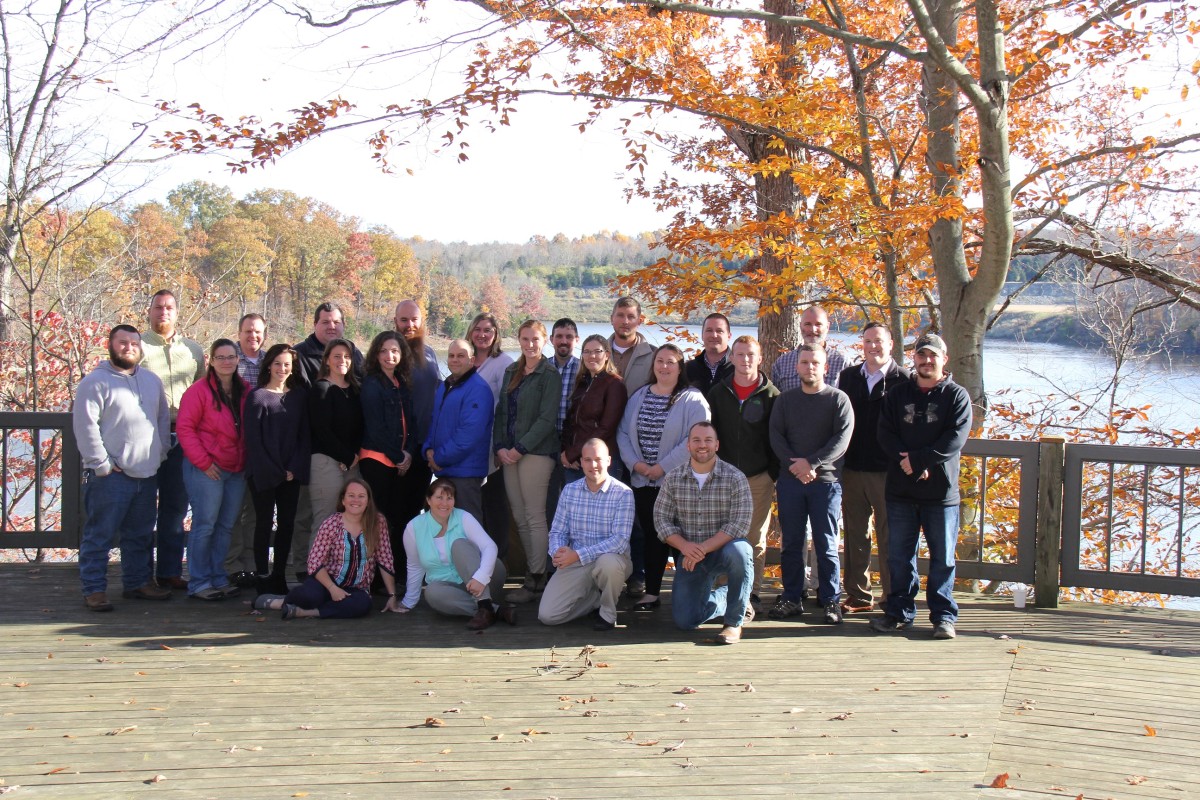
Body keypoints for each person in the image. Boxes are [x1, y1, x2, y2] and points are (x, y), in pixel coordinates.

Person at [871, 333, 972, 640]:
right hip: (900, 491)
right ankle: (899, 613)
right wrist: (909, 463)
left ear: (944, 360)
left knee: (943, 559)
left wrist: (920, 461)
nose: (927, 361)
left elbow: (954, 439)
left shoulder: (956, 396)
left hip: (941, 495)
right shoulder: (897, 394)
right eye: (921, 355)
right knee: (899, 556)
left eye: (933, 356)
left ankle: (943, 617)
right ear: (913, 358)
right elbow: (885, 433)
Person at [73, 325, 172, 611]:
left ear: (141, 348)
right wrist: (101, 464)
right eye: (122, 342)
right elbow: (85, 426)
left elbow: (162, 420)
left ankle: (137, 583)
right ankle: (94, 589)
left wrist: (160, 452)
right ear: (110, 345)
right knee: (99, 535)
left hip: (147, 472)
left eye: (134, 343)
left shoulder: (152, 381)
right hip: (110, 477)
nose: (128, 347)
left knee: (140, 534)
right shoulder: (94, 382)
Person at [616, 344, 710, 612]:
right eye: (660, 361)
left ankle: (689, 594)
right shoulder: (640, 395)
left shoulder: (693, 399)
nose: (664, 366)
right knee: (652, 536)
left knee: (680, 537)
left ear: (680, 368)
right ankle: (652, 593)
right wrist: (636, 464)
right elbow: (623, 433)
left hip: (678, 483)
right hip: (643, 482)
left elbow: (696, 439)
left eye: (671, 362)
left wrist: (662, 467)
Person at [768, 344, 854, 625]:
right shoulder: (785, 400)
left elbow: (841, 440)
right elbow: (776, 436)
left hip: (825, 483)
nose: (810, 367)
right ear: (797, 367)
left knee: (825, 543)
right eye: (804, 362)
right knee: (792, 542)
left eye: (815, 363)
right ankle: (792, 597)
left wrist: (812, 463)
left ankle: (830, 599)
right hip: (790, 481)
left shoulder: (838, 400)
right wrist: (796, 465)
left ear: (825, 367)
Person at [653, 421, 754, 644]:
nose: (702, 445)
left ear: (717, 445)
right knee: (685, 620)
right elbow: (661, 520)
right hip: (691, 556)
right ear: (688, 445)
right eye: (696, 440)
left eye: (708, 440)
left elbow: (739, 524)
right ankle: (728, 597)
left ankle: (733, 623)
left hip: (724, 551)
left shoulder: (735, 477)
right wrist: (685, 546)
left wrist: (702, 548)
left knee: (741, 551)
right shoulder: (673, 478)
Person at [837, 322, 910, 613]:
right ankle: (858, 594)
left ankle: (892, 595)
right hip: (853, 468)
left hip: (888, 471)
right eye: (868, 341)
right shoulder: (848, 377)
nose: (873, 346)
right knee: (855, 534)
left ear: (890, 344)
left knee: (890, 536)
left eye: (878, 341)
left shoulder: (903, 380)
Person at [254, 479, 401, 619]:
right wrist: (332, 588)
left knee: (362, 605)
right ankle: (280, 602)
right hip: (326, 581)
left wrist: (392, 596)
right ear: (343, 500)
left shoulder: (378, 522)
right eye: (351, 495)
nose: (356, 500)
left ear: (368, 501)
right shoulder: (331, 523)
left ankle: (304, 612)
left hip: (356, 588)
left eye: (361, 496)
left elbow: (385, 559)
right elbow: (314, 562)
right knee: (310, 596)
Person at [706, 336, 780, 609]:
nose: (745, 359)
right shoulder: (718, 393)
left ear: (759, 358)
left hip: (758, 477)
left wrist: (772, 473)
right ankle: (725, 590)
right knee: (723, 533)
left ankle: (751, 592)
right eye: (740, 354)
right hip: (723, 477)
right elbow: (710, 433)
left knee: (754, 537)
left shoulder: (772, 396)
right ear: (732, 358)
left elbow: (777, 438)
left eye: (750, 355)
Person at [292, 302, 364, 579]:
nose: (341, 360)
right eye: (336, 357)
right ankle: (313, 573)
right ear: (327, 360)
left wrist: (353, 457)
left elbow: (359, 424)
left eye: (346, 356)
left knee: (347, 519)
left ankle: (341, 571)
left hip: (351, 461)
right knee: (322, 519)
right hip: (324, 460)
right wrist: (345, 457)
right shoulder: (320, 388)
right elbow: (320, 429)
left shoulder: (354, 387)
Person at [139, 289, 204, 590]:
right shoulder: (137, 346)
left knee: (175, 508)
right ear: (149, 311)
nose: (163, 311)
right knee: (142, 509)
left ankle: (169, 571)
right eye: (158, 307)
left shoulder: (193, 351)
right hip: (147, 436)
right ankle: (140, 576)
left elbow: (202, 393)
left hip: (184, 437)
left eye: (169, 307)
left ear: (177, 313)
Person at [176, 338, 250, 601]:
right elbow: (185, 428)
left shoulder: (245, 390)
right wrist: (204, 463)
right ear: (211, 361)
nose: (226, 362)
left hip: (236, 468)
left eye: (231, 357)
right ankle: (199, 582)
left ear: (238, 360)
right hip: (207, 469)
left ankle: (219, 577)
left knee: (226, 525)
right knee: (205, 525)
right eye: (221, 357)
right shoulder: (198, 391)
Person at [493, 319, 561, 603]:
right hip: (509, 453)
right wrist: (500, 447)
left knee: (534, 516)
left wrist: (520, 448)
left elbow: (547, 419)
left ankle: (537, 578)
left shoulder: (550, 374)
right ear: (518, 340)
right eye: (525, 339)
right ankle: (531, 577)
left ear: (544, 341)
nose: (530, 344)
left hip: (536, 452)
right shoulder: (512, 371)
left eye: (535, 339)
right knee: (519, 516)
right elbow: (502, 413)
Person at [539, 439, 635, 631]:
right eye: (588, 460)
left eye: (598, 459)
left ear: (608, 461)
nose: (593, 465)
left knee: (608, 564)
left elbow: (619, 541)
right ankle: (594, 600)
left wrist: (577, 555)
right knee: (548, 616)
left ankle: (608, 613)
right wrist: (558, 552)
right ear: (581, 462)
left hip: (611, 559)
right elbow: (558, 531)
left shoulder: (623, 493)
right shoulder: (570, 490)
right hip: (575, 561)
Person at [397, 479, 516, 630]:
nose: (444, 503)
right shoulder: (414, 527)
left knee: (459, 544)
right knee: (432, 592)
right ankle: (494, 610)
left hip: (486, 582)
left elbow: (489, 546)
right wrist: (409, 601)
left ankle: (485, 603)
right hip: (454, 591)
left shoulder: (463, 517)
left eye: (449, 498)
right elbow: (415, 565)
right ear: (428, 500)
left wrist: (481, 577)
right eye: (439, 497)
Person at [243, 343, 310, 596]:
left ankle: (279, 575)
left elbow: (304, 436)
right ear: (269, 365)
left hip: (291, 473)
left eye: (287, 365)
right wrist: (276, 470)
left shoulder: (298, 397)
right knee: (263, 523)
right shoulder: (257, 397)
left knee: (287, 524)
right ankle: (263, 575)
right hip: (263, 471)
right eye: (278, 364)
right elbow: (254, 441)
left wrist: (293, 468)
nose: (282, 368)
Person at [358, 330, 419, 578]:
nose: (389, 356)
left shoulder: (401, 383)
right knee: (378, 520)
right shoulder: (372, 384)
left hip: (398, 461)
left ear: (402, 354)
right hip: (377, 461)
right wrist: (399, 457)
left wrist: (409, 453)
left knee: (395, 518)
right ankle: (373, 578)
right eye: (383, 351)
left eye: (394, 351)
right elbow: (376, 429)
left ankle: (393, 573)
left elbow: (412, 423)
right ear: (375, 354)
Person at [424, 339, 494, 522]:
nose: (455, 360)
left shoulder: (478, 389)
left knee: (468, 526)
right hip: (445, 470)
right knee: (445, 527)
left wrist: (438, 458)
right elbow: (434, 421)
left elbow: (469, 435)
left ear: (472, 360)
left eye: (461, 356)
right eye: (451, 356)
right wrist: (428, 449)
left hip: (465, 474)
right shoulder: (445, 386)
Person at [468, 311, 516, 556]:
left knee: (494, 504)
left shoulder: (503, 363)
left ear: (496, 334)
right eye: (478, 329)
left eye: (488, 330)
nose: (482, 335)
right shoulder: (465, 360)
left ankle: (498, 562)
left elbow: (508, 408)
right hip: (468, 448)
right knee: (473, 506)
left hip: (492, 447)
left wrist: (500, 445)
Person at [226, 312, 268, 587]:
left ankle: (252, 564)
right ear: (239, 333)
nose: (252, 336)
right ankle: (231, 564)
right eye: (247, 331)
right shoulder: (229, 361)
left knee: (255, 512)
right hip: (233, 445)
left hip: (262, 448)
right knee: (232, 511)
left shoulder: (270, 362)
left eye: (257, 331)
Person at [394, 299, 443, 524]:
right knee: (396, 511)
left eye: (414, 319)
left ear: (422, 321)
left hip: (425, 446)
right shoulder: (390, 354)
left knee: (417, 509)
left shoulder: (429, 353)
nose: (409, 325)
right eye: (404, 320)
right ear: (395, 321)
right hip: (400, 449)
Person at [560, 335, 627, 486]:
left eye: (597, 351)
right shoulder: (582, 383)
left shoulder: (615, 384)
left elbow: (606, 428)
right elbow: (571, 422)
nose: (592, 356)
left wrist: (573, 453)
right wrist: (566, 452)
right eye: (587, 352)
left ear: (607, 355)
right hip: (575, 462)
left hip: (600, 463)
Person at [545, 318, 581, 526]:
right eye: (559, 336)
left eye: (569, 336)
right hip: (545, 445)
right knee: (548, 503)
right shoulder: (542, 367)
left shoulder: (583, 369)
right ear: (551, 339)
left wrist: (573, 450)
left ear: (576, 339)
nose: (563, 341)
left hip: (572, 448)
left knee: (572, 503)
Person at [772, 305, 847, 391]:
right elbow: (776, 398)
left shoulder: (842, 363)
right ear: (800, 326)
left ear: (827, 327)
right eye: (807, 324)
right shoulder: (782, 363)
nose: (813, 329)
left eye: (818, 324)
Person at [293, 301, 365, 388]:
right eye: (325, 322)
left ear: (343, 325)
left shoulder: (354, 352)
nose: (331, 327)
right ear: (315, 324)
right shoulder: (298, 355)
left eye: (336, 322)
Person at [608, 296, 656, 393]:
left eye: (631, 317)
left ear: (639, 321)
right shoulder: (596, 353)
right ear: (612, 319)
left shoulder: (654, 355)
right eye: (620, 315)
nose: (625, 321)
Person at [685, 312, 734, 395]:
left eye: (719, 331)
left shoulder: (739, 367)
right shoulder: (688, 369)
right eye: (709, 330)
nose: (714, 335)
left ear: (729, 336)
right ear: (702, 335)